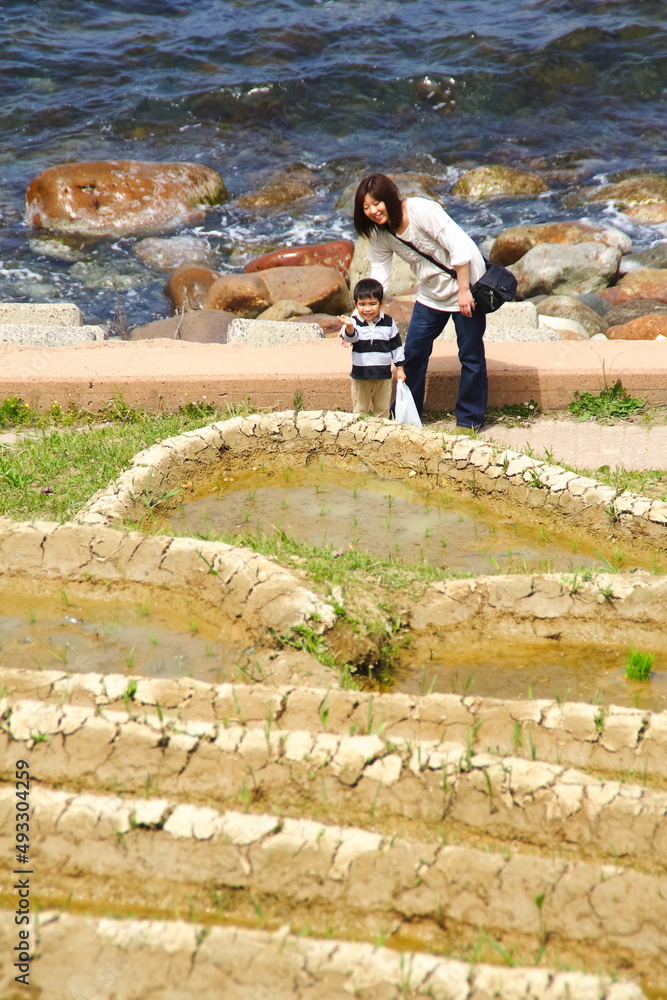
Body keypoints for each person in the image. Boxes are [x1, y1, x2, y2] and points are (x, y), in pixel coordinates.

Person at [353, 173, 487, 429]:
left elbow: (459, 246)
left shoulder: (420, 210)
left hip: (466, 283)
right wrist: (362, 314)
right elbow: (378, 278)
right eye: (366, 207)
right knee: (413, 353)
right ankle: (406, 418)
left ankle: (469, 421)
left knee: (470, 355)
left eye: (376, 203)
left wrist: (463, 290)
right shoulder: (381, 234)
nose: (372, 211)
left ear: (390, 198)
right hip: (432, 292)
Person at [337, 277, 405, 418]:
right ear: (355, 304)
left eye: (372, 304)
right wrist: (349, 326)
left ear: (381, 303)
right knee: (359, 409)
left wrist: (400, 369)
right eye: (362, 304)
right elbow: (350, 338)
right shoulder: (354, 322)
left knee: (382, 410)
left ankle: (381, 437)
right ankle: (359, 436)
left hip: (383, 376)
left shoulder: (388, 322)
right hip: (361, 376)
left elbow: (396, 346)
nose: (367, 309)